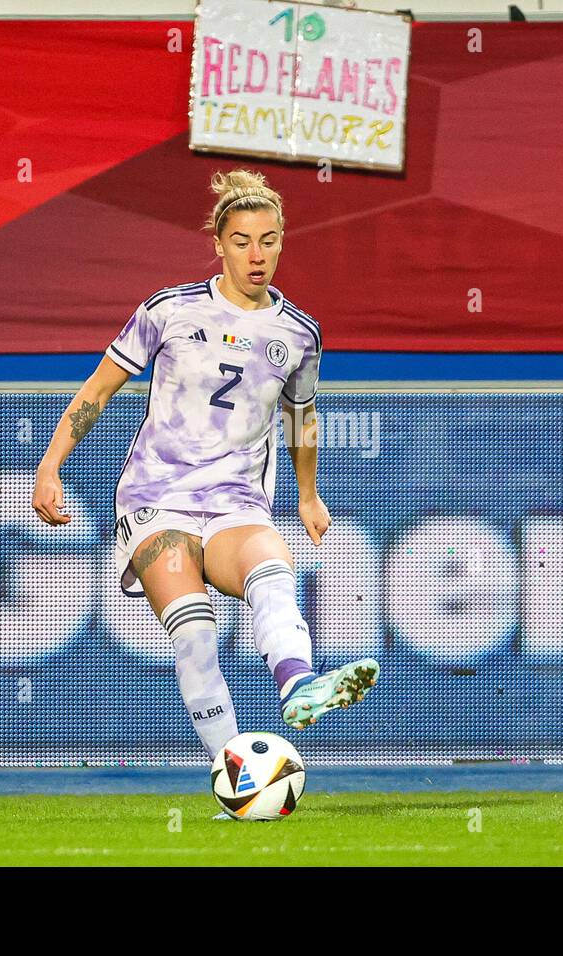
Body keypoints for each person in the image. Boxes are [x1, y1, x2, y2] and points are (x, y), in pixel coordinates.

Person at [32, 168, 378, 764]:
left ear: (282, 243)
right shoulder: (168, 311)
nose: (256, 255)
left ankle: (298, 684)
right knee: (194, 635)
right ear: (218, 245)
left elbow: (301, 416)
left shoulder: (299, 334)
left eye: (269, 241)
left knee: (272, 568)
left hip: (235, 502)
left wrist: (308, 495)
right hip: (156, 503)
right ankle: (238, 772)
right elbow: (99, 389)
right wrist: (50, 465)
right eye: (242, 241)